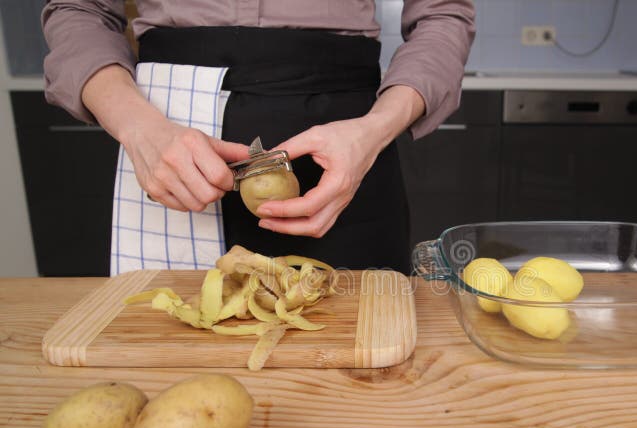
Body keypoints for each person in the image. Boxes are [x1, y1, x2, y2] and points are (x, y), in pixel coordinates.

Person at [41, 1, 476, 275]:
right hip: (170, 138)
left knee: (358, 358)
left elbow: (442, 14)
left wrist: (375, 129)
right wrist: (138, 128)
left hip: (346, 144)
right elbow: (77, 10)